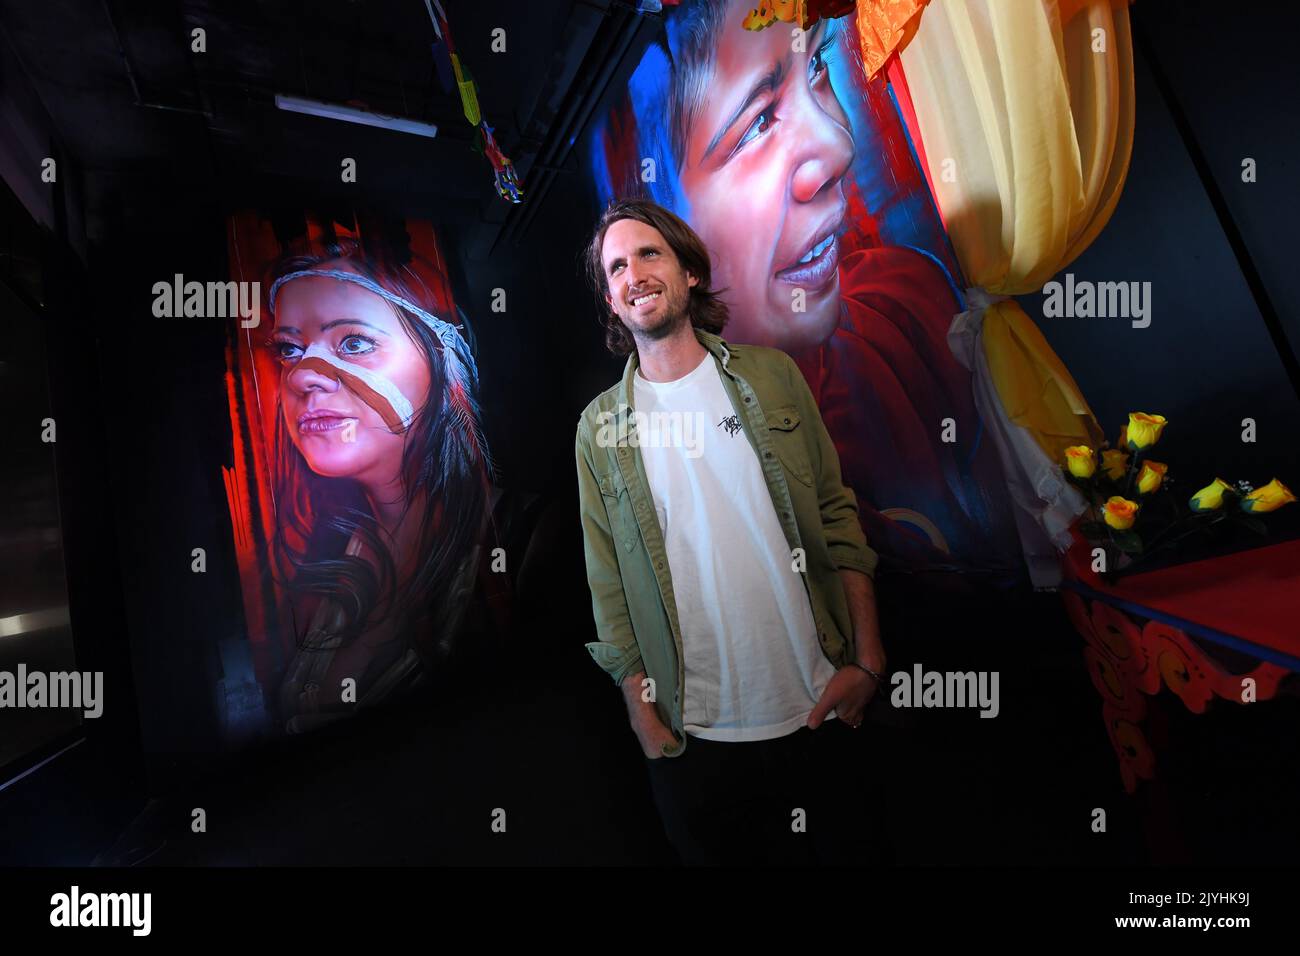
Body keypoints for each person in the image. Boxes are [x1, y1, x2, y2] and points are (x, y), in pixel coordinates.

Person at [589, 0, 1024, 583]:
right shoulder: (642, 436)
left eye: (817, 65)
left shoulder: (901, 306)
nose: (838, 146)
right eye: (758, 123)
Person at [576, 199, 888, 865]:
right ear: (611, 300)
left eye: (649, 253)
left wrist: (867, 657)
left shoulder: (772, 375)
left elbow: (837, 514)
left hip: (819, 708)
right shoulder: (598, 428)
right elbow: (608, 586)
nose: (634, 273)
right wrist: (642, 714)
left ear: (689, 272)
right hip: (695, 741)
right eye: (616, 266)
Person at [264, 239, 493, 733]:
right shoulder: (324, 552)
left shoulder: (521, 540)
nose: (304, 376)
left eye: (353, 343)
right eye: (289, 349)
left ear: (440, 357)